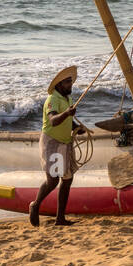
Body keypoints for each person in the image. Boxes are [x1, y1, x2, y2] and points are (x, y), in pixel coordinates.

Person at [29, 65, 80, 228]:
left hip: (65, 142)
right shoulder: (52, 99)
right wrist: (67, 114)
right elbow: (53, 120)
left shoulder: (67, 99)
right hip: (51, 142)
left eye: (70, 82)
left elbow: (66, 120)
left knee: (67, 178)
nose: (70, 85)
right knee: (53, 181)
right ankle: (35, 205)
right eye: (66, 82)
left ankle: (60, 218)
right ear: (58, 85)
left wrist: (76, 128)